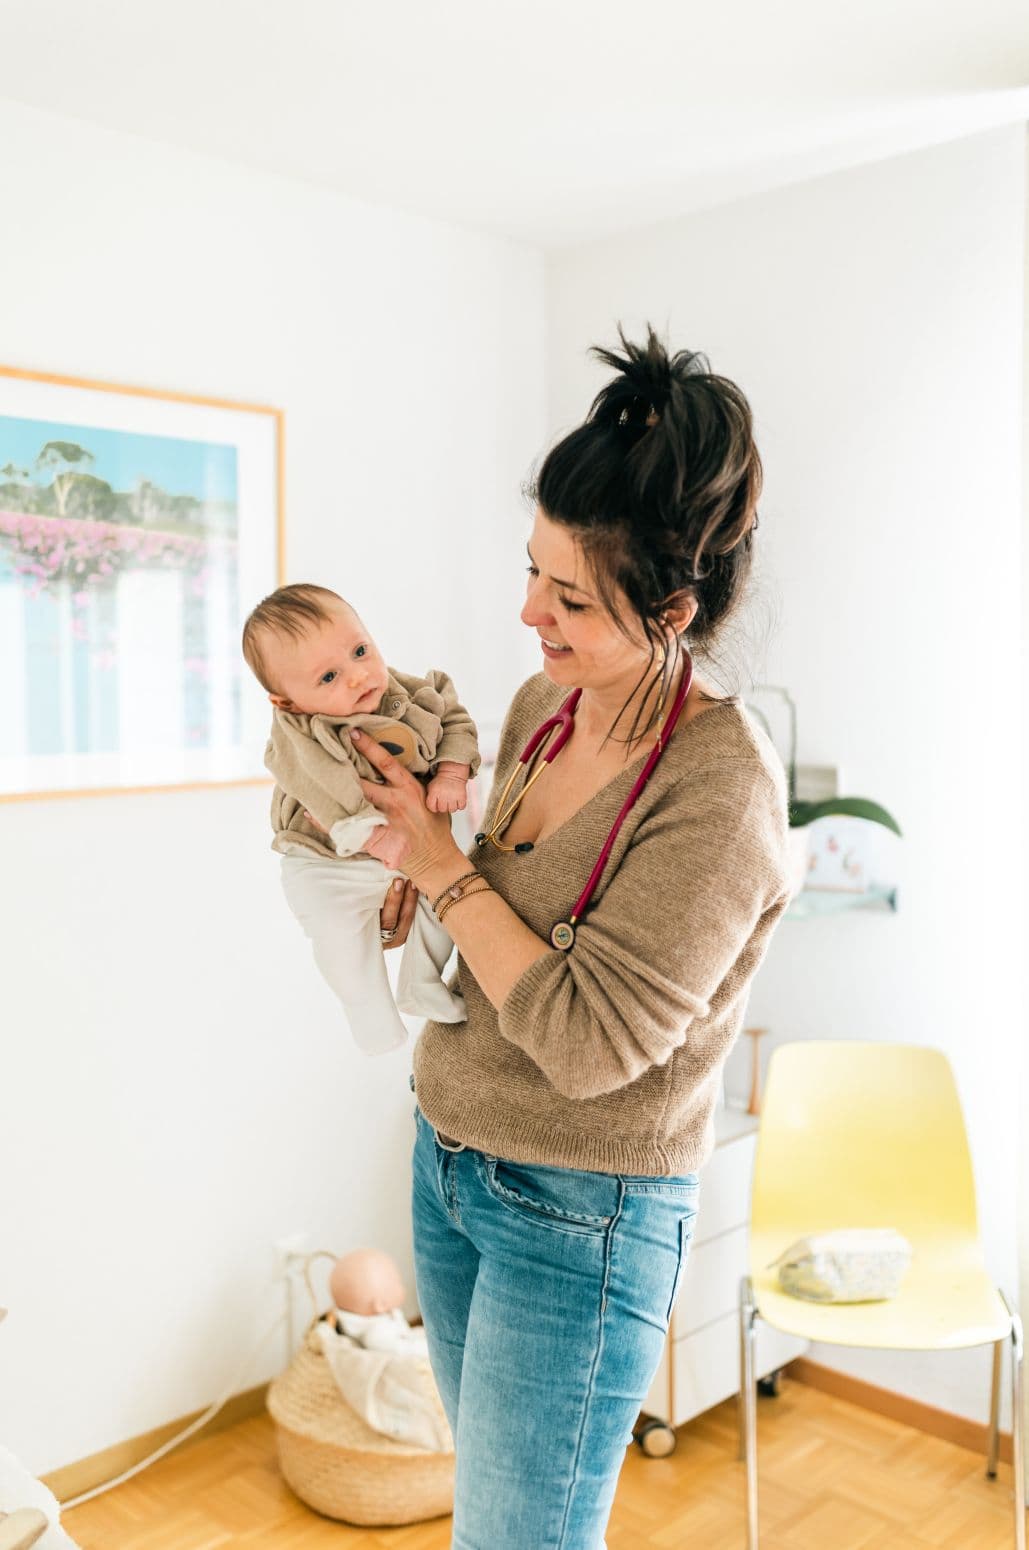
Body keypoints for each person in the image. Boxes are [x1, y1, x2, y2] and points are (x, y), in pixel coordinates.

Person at [350, 327, 792, 1548]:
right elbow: (499, 907)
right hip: (449, 1158)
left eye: (569, 597)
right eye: (531, 569)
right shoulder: (545, 703)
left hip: (580, 1209)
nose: (526, 612)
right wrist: (424, 879)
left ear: (674, 609)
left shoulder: (720, 790)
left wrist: (444, 876)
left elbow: (591, 1042)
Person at [240, 585, 481, 1054]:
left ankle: (423, 980)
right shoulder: (298, 733)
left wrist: (452, 770)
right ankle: (366, 1008)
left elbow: (452, 714)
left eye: (359, 651)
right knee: (338, 938)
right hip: (325, 861)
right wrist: (367, 833)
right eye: (329, 676)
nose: (357, 677)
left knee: (453, 900)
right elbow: (313, 779)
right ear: (287, 702)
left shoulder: (405, 692)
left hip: (415, 849)